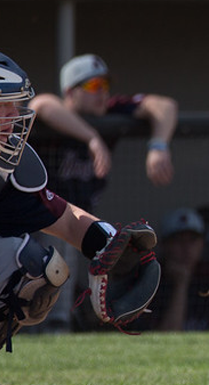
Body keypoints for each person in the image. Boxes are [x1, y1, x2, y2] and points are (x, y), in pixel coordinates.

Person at [0, 48, 159, 379]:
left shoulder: (4, 163)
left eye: (15, 103)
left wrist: (108, 243)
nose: (14, 114)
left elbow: (65, 218)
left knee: (37, 270)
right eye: (1, 105)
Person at [26, 53, 178, 332]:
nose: (103, 93)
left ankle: (60, 326)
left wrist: (158, 146)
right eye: (94, 86)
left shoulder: (109, 111)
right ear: (71, 92)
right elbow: (42, 104)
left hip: (81, 221)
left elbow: (163, 105)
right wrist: (93, 139)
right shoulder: (60, 115)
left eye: (105, 85)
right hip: (39, 222)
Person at [134, 207, 209, 332]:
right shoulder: (150, 280)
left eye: (192, 240)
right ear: (164, 245)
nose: (186, 248)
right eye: (178, 241)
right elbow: (167, 334)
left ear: (203, 244)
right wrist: (181, 284)